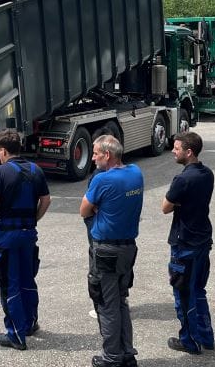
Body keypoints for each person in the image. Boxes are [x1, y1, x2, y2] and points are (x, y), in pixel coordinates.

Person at [0, 129, 51, 351]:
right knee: (27, 278)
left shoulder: (0, 172)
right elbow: (46, 200)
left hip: (7, 235)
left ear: (3, 151)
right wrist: (33, 219)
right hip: (28, 234)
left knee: (9, 283)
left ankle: (16, 335)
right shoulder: (36, 169)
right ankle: (30, 323)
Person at [80, 134, 143, 366]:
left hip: (106, 250)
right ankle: (126, 353)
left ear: (107, 155)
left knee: (106, 304)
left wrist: (100, 208)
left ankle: (112, 356)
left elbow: (84, 210)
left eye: (96, 153)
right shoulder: (136, 173)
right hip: (128, 248)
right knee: (121, 301)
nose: (93, 158)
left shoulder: (102, 180)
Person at [162, 132, 214, 355]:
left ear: (189, 152)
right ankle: (206, 336)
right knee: (199, 290)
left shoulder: (182, 179)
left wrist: (178, 202)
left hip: (185, 244)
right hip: (203, 240)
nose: (173, 152)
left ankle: (190, 341)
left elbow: (165, 207)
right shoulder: (207, 173)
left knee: (183, 294)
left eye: (176, 148)